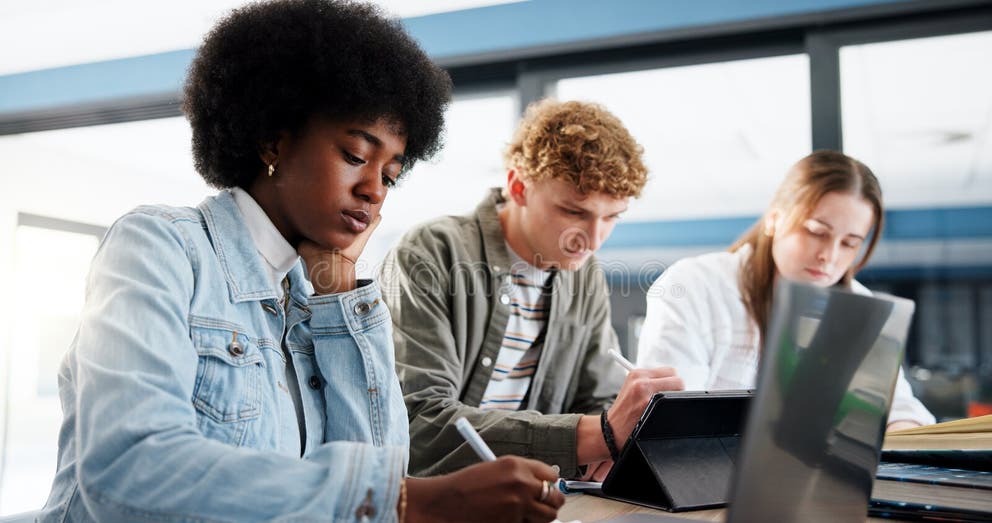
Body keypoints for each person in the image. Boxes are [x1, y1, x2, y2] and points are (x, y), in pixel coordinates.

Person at [39, 1, 566, 521]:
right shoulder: (158, 247)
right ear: (274, 140)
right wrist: (413, 501)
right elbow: (131, 469)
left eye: (390, 176)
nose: (373, 190)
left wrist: (341, 295)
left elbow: (377, 465)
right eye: (355, 156)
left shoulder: (317, 292)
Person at [380, 99, 684, 481]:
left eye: (611, 217)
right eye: (574, 212)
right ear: (518, 186)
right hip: (438, 497)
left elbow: (599, 399)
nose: (592, 240)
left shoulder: (583, 274)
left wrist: (615, 431)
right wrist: (599, 435)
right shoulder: (431, 253)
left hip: (541, 497)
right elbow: (419, 424)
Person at [636, 150, 934, 430]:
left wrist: (902, 431)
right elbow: (673, 421)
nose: (829, 256)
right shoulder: (695, 285)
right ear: (774, 219)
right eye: (817, 232)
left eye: (849, 243)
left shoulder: (860, 307)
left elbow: (899, 406)